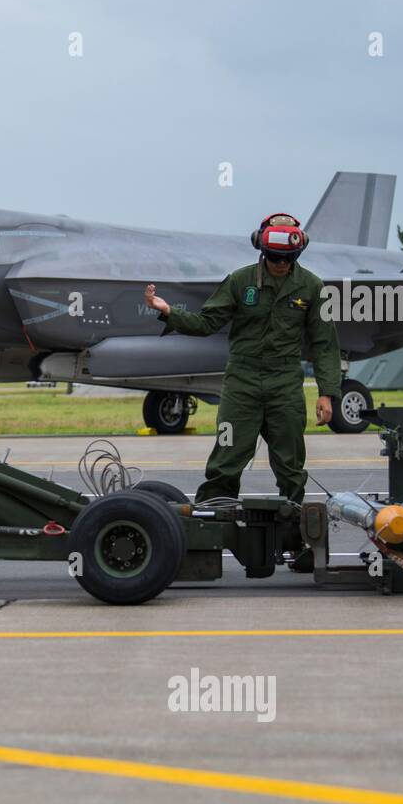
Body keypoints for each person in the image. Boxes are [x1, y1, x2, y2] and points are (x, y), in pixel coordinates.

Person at [144, 213, 342, 569]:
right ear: (262, 251)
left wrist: (327, 393)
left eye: (287, 259)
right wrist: (168, 312)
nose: (281, 265)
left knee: (291, 468)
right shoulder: (239, 282)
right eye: (275, 258)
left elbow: (325, 344)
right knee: (225, 463)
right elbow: (207, 323)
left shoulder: (312, 288)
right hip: (242, 385)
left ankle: (297, 544)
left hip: (285, 385)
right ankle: (201, 543)